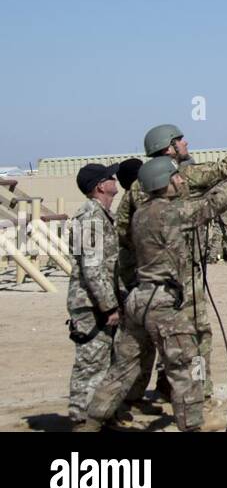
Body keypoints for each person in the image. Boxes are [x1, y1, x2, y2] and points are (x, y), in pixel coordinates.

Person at [79, 147, 227, 432]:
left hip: (138, 301)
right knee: (185, 368)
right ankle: (193, 426)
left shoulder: (140, 213)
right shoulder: (172, 212)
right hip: (163, 303)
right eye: (175, 178)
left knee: (121, 369)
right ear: (163, 183)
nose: (181, 181)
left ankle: (91, 423)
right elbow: (213, 204)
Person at [66, 162, 125, 425]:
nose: (116, 180)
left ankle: (103, 417)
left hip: (101, 302)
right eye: (111, 177)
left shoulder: (102, 215)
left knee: (108, 364)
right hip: (91, 306)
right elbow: (91, 269)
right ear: (101, 186)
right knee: (90, 365)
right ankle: (81, 421)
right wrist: (108, 306)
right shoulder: (89, 219)